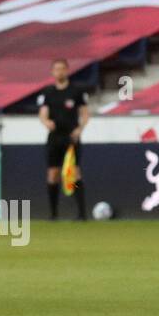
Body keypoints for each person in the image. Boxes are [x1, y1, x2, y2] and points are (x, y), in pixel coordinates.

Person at [36, 58, 90, 220]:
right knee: (53, 173)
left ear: (67, 70)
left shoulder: (76, 92)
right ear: (53, 72)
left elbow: (85, 114)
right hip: (54, 138)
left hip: (70, 137)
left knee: (73, 173)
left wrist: (79, 129)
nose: (59, 72)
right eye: (56, 69)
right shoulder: (48, 92)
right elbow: (43, 113)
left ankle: (81, 213)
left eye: (62, 69)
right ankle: (53, 213)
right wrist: (46, 122)